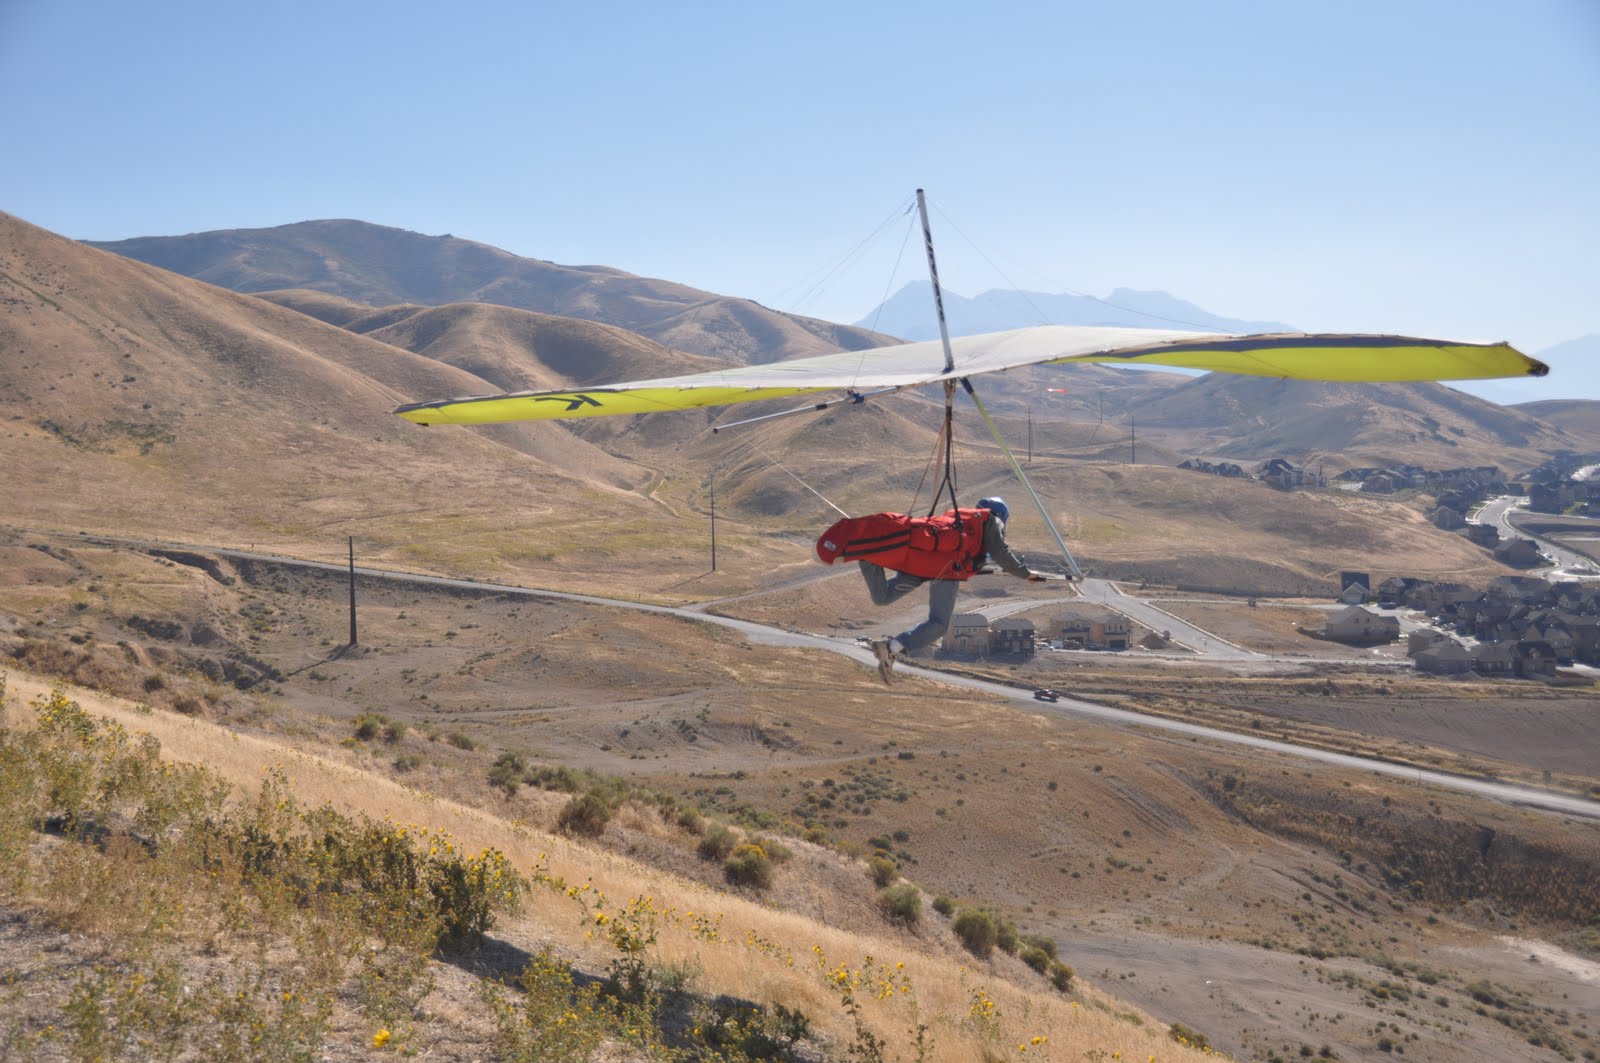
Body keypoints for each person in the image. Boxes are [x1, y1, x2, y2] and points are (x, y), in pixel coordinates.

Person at [862, 496, 1044, 682]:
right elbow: (1001, 554)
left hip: (922, 562)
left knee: (882, 597)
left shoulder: (959, 519)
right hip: (945, 570)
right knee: (939, 624)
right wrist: (1025, 574)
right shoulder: (991, 521)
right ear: (1002, 515)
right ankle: (891, 648)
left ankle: (868, 557)